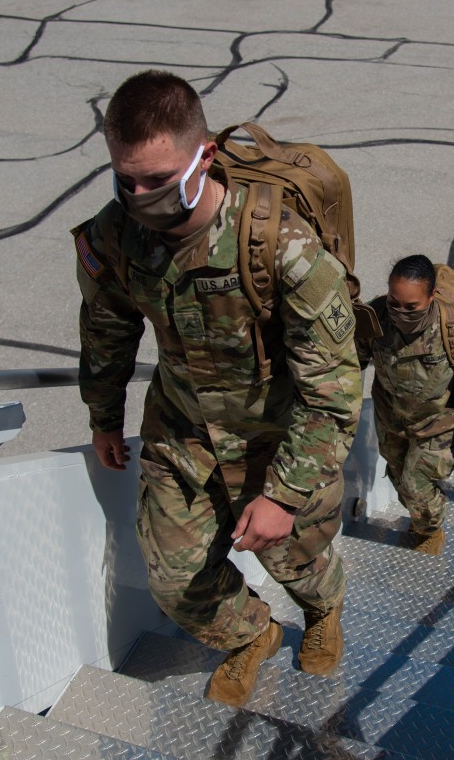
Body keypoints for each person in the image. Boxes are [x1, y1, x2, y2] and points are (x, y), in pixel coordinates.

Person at [72, 70, 361, 708]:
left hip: (280, 437)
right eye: (125, 179)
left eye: (157, 180)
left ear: (204, 157)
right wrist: (103, 415)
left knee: (296, 559)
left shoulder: (281, 246)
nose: (139, 196)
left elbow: (334, 393)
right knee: (173, 579)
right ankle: (254, 634)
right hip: (183, 430)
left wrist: (283, 495)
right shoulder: (115, 235)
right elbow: (106, 328)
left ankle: (323, 610)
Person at [358, 255, 454, 555]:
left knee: (415, 486)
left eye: (411, 307)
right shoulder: (377, 315)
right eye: (394, 302)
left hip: (437, 425)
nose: (400, 313)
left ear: (431, 297)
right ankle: (421, 517)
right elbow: (352, 361)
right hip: (390, 419)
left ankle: (430, 532)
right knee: (399, 479)